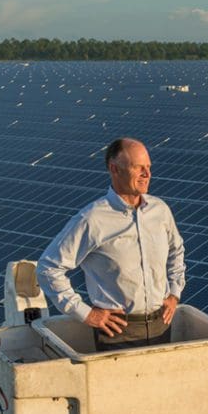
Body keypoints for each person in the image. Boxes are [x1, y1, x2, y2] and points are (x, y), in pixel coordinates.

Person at [37, 137, 185, 351]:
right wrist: (86, 314)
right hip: (117, 332)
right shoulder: (92, 219)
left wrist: (174, 293)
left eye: (148, 167)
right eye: (138, 168)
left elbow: (176, 251)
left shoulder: (160, 211)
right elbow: (48, 268)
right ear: (115, 169)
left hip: (161, 325)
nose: (147, 174)